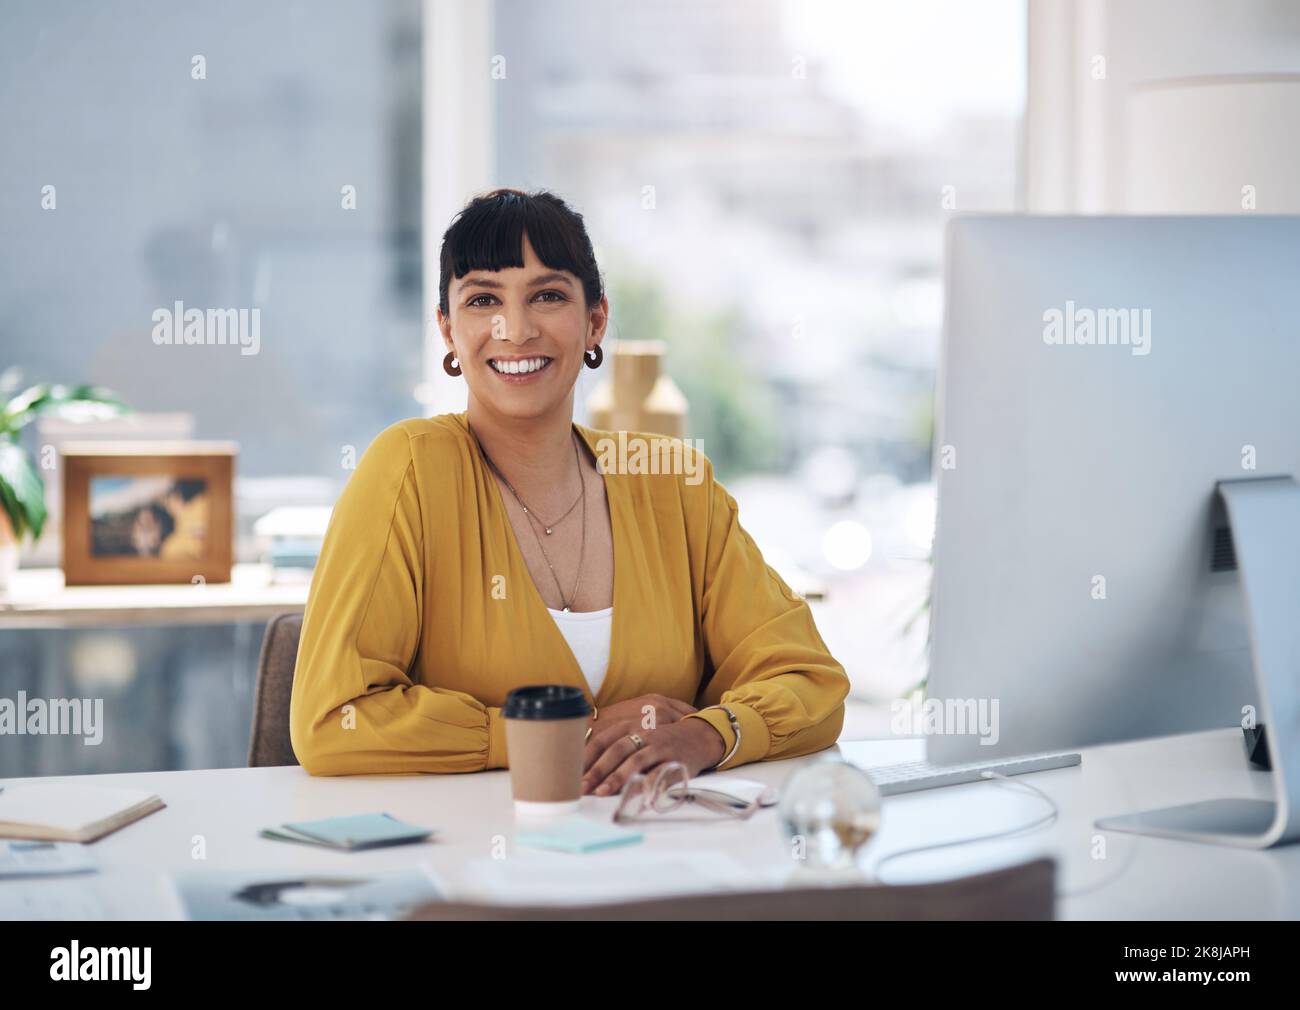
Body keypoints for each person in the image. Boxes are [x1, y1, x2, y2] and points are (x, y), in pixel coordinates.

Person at [289, 188, 848, 796]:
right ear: (448, 330)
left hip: (663, 852)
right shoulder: (410, 469)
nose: (516, 328)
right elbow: (331, 721)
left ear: (595, 320)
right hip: (469, 857)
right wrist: (564, 733)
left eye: (548, 296)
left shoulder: (671, 481)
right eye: (483, 300)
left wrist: (710, 735)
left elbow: (807, 681)